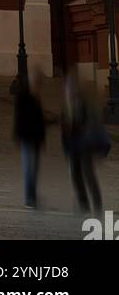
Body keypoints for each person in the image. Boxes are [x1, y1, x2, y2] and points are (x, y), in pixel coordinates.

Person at [61, 74, 108, 212]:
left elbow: (90, 125)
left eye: (71, 89)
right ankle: (84, 203)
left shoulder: (84, 104)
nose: (69, 91)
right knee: (76, 174)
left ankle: (96, 202)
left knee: (88, 173)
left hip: (84, 144)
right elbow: (65, 128)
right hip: (73, 145)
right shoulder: (67, 105)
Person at [14, 76, 46, 207]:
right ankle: (29, 197)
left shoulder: (35, 98)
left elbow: (38, 120)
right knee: (29, 167)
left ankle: (32, 195)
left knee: (33, 168)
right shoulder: (25, 98)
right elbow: (25, 119)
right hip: (27, 137)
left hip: (34, 137)